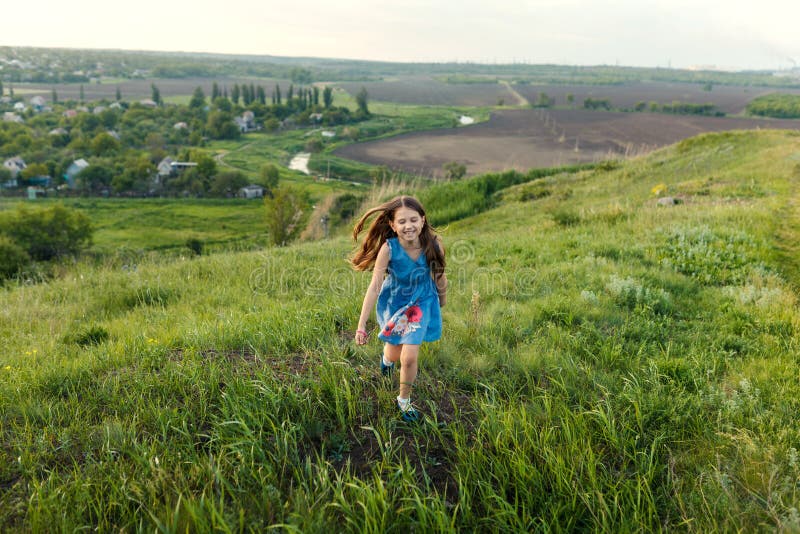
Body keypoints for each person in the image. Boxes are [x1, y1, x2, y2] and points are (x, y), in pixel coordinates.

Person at [351, 195, 447, 422]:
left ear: (422, 220)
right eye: (402, 222)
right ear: (393, 225)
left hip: (421, 304)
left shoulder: (434, 244)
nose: (408, 226)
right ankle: (386, 362)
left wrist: (441, 301)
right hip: (395, 303)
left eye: (413, 220)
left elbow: (440, 277)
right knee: (394, 353)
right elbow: (375, 286)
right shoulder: (389, 249)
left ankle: (404, 401)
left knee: (409, 356)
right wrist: (361, 325)